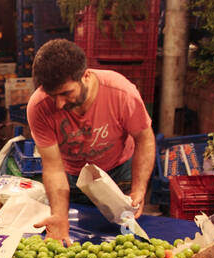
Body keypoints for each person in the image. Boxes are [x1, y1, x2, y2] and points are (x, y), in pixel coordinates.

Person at [26, 38, 155, 244]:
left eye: (66, 93)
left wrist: (138, 189)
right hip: (74, 177)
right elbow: (52, 167)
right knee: (82, 237)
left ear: (86, 76)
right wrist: (59, 214)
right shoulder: (38, 107)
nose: (59, 104)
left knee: (125, 238)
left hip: (118, 173)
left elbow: (144, 139)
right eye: (52, 96)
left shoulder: (121, 93)